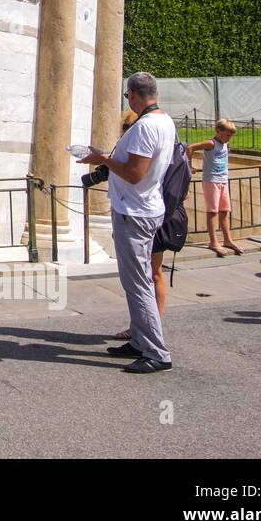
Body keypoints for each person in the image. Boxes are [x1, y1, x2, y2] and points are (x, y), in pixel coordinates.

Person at [81, 72, 175, 374]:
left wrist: (102, 159)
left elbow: (135, 173)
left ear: (133, 94)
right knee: (138, 281)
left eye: (127, 95)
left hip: (134, 212)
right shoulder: (165, 121)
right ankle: (138, 340)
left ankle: (157, 353)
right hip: (144, 208)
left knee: (138, 284)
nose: (128, 99)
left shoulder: (146, 126)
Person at [188, 119, 242, 258]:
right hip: (211, 181)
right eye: (227, 135)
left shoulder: (224, 143)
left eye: (230, 136)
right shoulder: (211, 143)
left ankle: (227, 240)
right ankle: (213, 241)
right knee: (212, 212)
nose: (228, 138)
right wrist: (189, 165)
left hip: (223, 180)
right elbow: (190, 147)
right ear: (218, 131)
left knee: (224, 211)